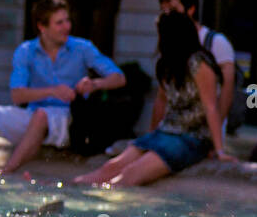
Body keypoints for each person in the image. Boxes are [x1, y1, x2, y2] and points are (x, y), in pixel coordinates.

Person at [0, 0, 125, 174]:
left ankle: (5, 173)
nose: (67, 27)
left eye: (67, 20)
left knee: (41, 115)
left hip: (71, 119)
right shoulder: (25, 51)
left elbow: (119, 78)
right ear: (42, 26)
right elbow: (17, 95)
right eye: (59, 23)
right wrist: (53, 91)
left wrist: (94, 83)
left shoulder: (82, 48)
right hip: (34, 114)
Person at [73, 11, 234, 186]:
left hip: (191, 138)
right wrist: (151, 135)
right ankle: (68, 190)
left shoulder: (199, 63)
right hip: (166, 132)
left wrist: (219, 149)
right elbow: (161, 102)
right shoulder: (167, 63)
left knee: (129, 175)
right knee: (111, 167)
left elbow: (210, 107)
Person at [157, 0, 236, 125]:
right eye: (164, 11)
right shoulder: (169, 43)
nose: (168, 15)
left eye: (173, 10)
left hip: (202, 129)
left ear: (191, 9)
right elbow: (162, 95)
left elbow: (226, 92)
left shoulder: (216, 42)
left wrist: (215, 133)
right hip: (173, 128)